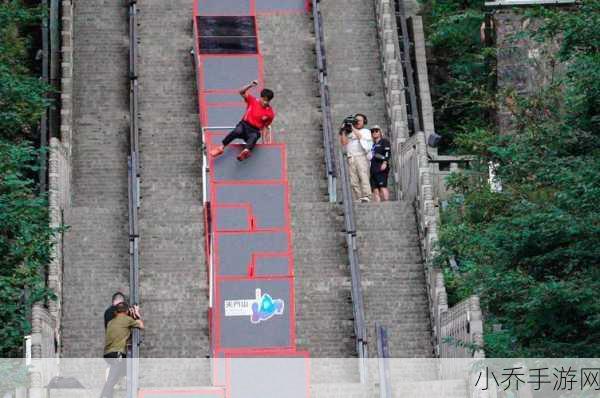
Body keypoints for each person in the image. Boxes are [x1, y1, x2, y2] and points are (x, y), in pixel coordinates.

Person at [209, 80, 275, 161]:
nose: (265, 102)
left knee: (254, 137)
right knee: (236, 131)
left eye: (267, 101)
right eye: (264, 99)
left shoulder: (270, 113)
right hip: (244, 125)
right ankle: (220, 148)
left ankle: (245, 152)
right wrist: (250, 85)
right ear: (261, 97)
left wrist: (265, 144)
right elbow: (241, 92)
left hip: (254, 130)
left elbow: (265, 127)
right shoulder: (253, 100)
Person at [99, 302, 144, 398]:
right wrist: (136, 313)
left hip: (108, 354)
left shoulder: (111, 321)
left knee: (117, 377)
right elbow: (141, 325)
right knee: (112, 379)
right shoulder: (127, 320)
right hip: (117, 354)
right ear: (127, 311)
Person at [340, 113, 372, 202]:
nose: (357, 122)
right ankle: (358, 197)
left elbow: (360, 137)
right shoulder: (350, 132)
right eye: (355, 120)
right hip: (351, 157)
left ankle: (367, 195)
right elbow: (343, 142)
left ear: (364, 122)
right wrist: (343, 130)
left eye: (359, 120)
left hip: (361, 156)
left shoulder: (365, 131)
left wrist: (352, 127)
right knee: (353, 180)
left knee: (363, 176)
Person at [369, 125, 391, 202]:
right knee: (375, 189)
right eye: (372, 131)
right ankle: (378, 206)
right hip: (373, 168)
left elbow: (387, 153)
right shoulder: (373, 144)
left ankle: (387, 203)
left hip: (381, 167)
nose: (374, 132)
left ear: (380, 132)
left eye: (376, 131)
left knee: (382, 186)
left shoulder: (384, 141)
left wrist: (385, 162)